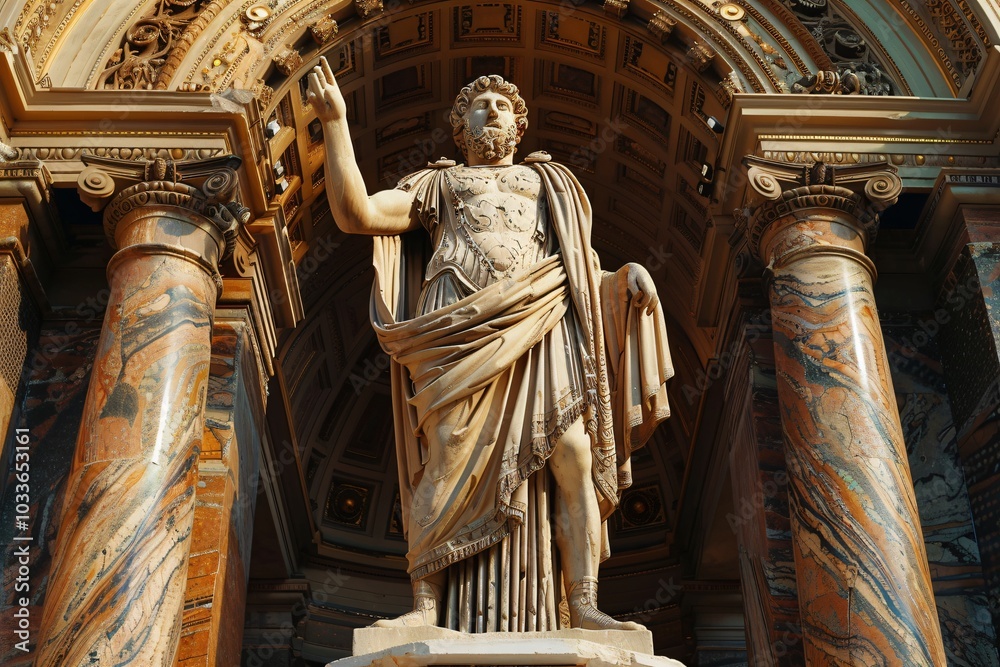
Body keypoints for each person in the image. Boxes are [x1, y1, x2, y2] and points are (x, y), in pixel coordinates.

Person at [308, 57, 673, 632]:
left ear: (519, 125)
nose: (493, 110)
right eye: (480, 105)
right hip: (457, 333)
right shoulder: (438, 183)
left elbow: (579, 269)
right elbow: (359, 214)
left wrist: (620, 278)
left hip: (544, 319)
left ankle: (582, 604)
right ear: (461, 126)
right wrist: (335, 122)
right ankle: (424, 607)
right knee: (448, 456)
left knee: (574, 454)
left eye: (503, 105)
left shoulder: (553, 183)